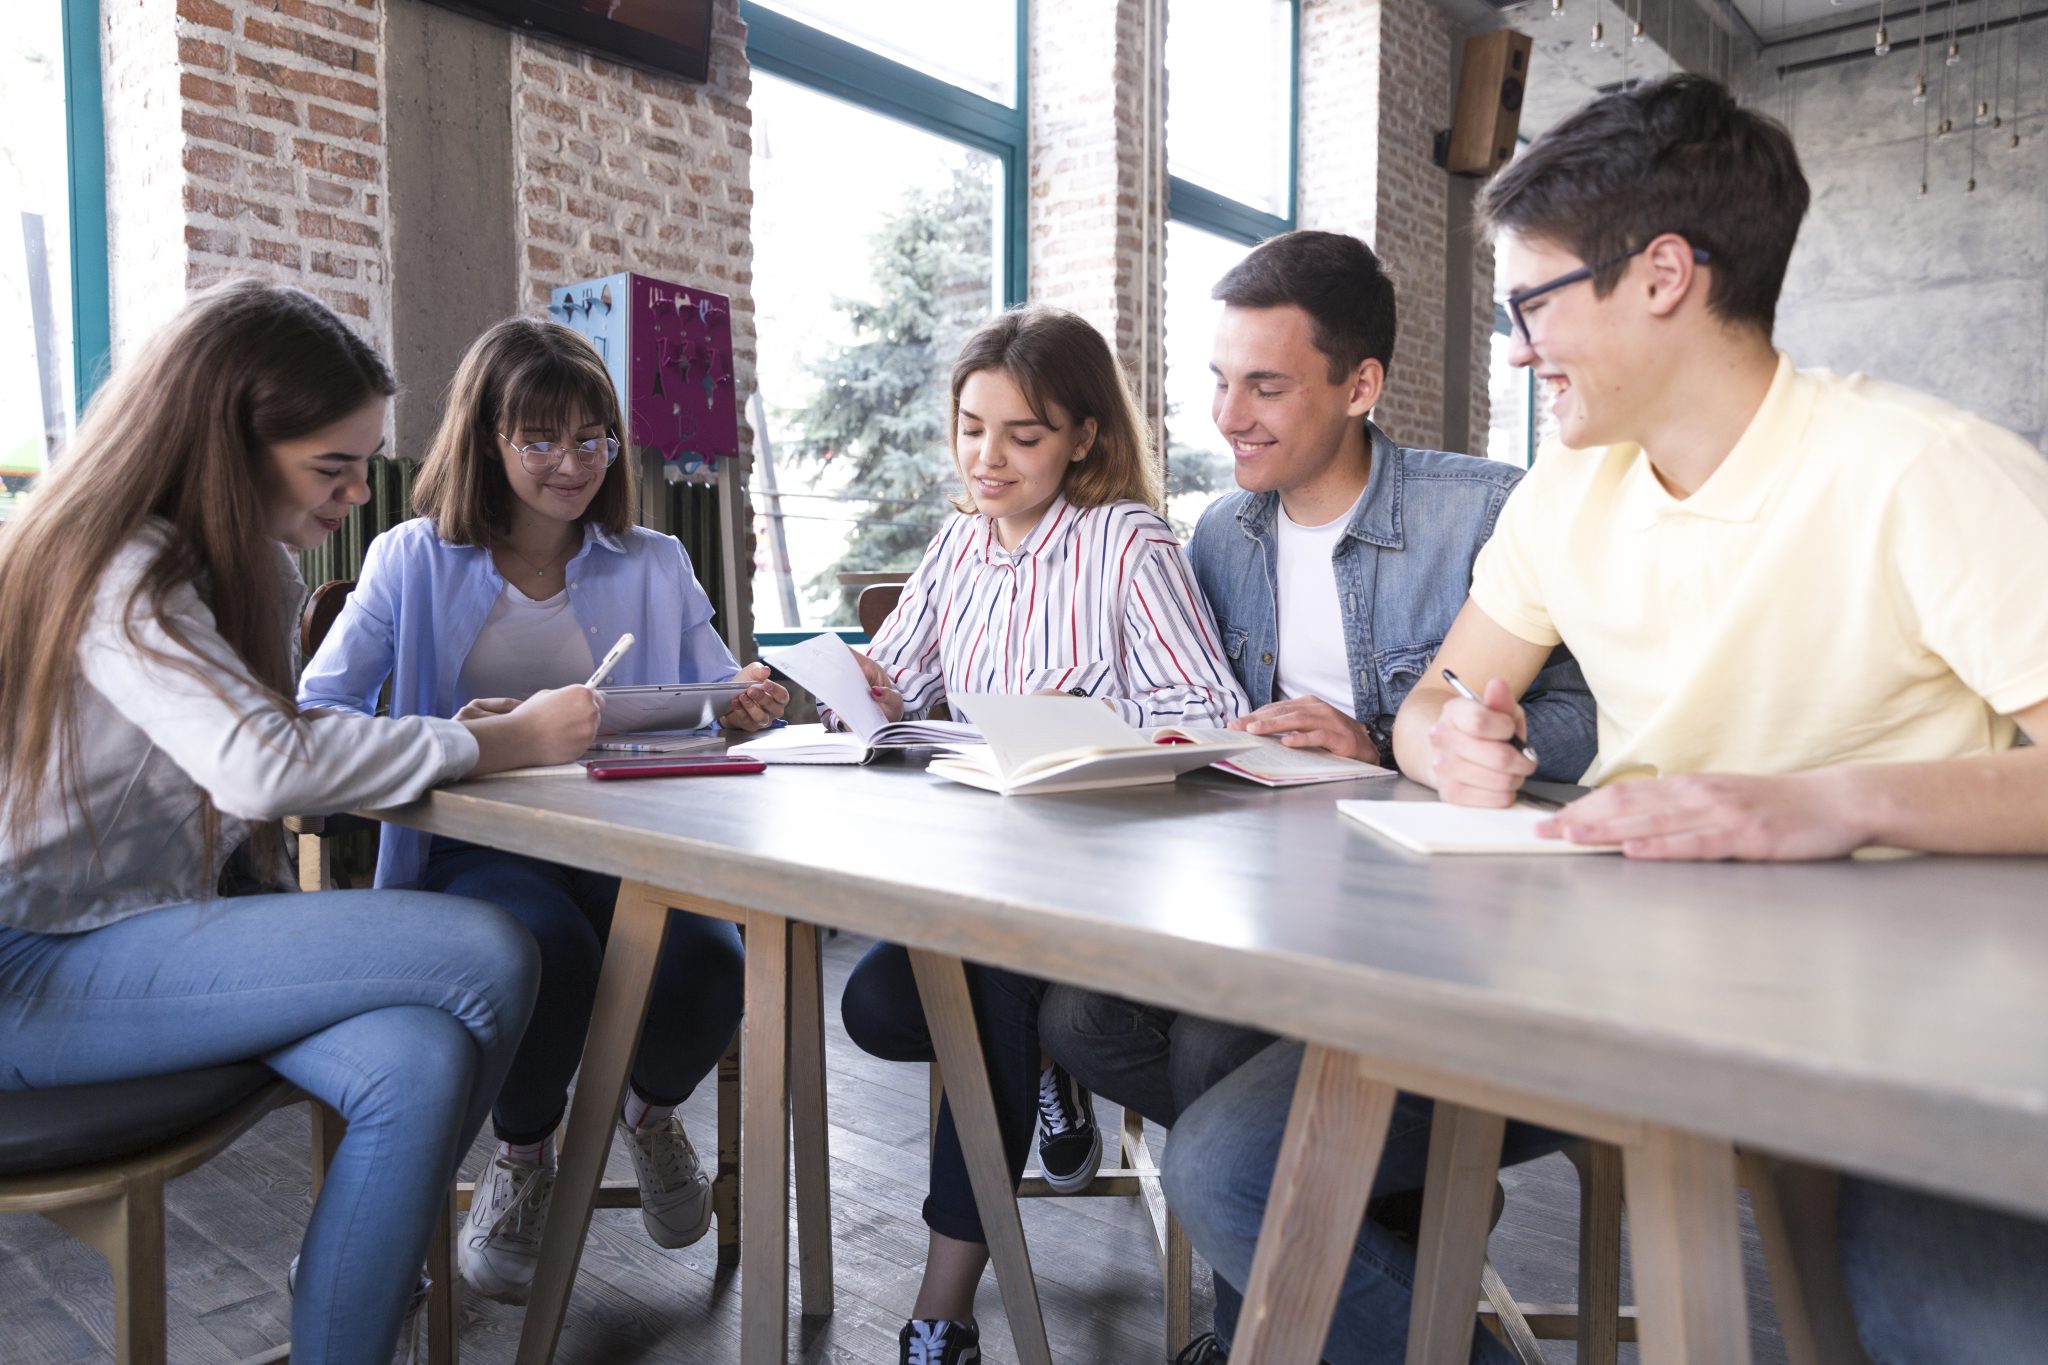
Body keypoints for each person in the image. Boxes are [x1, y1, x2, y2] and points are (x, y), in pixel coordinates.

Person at [1167, 76, 2048, 1364]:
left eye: (1530, 304)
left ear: (1662, 277)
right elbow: (1433, 701)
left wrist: (1826, 801)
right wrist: (1441, 741)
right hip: (1609, 983)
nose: (1516, 346)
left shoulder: (1923, 472)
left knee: (1961, 1322)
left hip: (1897, 1015)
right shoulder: (1565, 494)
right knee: (1231, 1166)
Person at [0, 280, 601, 1364]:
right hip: (28, 966)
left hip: (117, 935)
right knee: (488, 949)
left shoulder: (229, 568)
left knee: (415, 1059)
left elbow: (263, 736)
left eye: (363, 461)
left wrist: (431, 728)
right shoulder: (118, 565)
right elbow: (261, 768)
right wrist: (497, 743)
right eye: (332, 466)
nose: (356, 492)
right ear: (223, 446)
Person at [1034, 230, 1597, 1364]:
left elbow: (1585, 720)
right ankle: (1383, 1218)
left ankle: (1257, 1332)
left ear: (1359, 386)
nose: (1225, 415)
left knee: (1209, 1059)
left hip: (1426, 916)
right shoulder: (1217, 532)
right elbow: (1192, 703)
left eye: (1265, 385)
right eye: (1217, 379)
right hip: (1265, 893)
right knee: (1076, 1021)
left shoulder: (1483, 511)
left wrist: (1397, 738)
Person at [298, 317, 786, 1304]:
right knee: (546, 953)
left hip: (627, 839)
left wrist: (743, 700)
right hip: (473, 851)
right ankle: (525, 1154)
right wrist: (463, 733)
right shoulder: (410, 559)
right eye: (539, 439)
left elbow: (707, 700)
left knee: (710, 967)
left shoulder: (648, 559)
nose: (572, 463)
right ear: (486, 439)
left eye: (592, 437)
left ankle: (649, 1115)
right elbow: (315, 718)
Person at [837, 304, 1248, 1365]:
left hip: (1095, 875)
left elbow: (1205, 710)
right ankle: (1049, 1077)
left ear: (1083, 438)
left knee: (979, 998)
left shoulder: (1125, 543)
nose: (988, 457)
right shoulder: (956, 547)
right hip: (978, 869)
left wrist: (1082, 728)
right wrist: (844, 688)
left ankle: (940, 1314)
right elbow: (899, 686)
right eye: (971, 428)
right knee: (881, 1004)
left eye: (1022, 435)